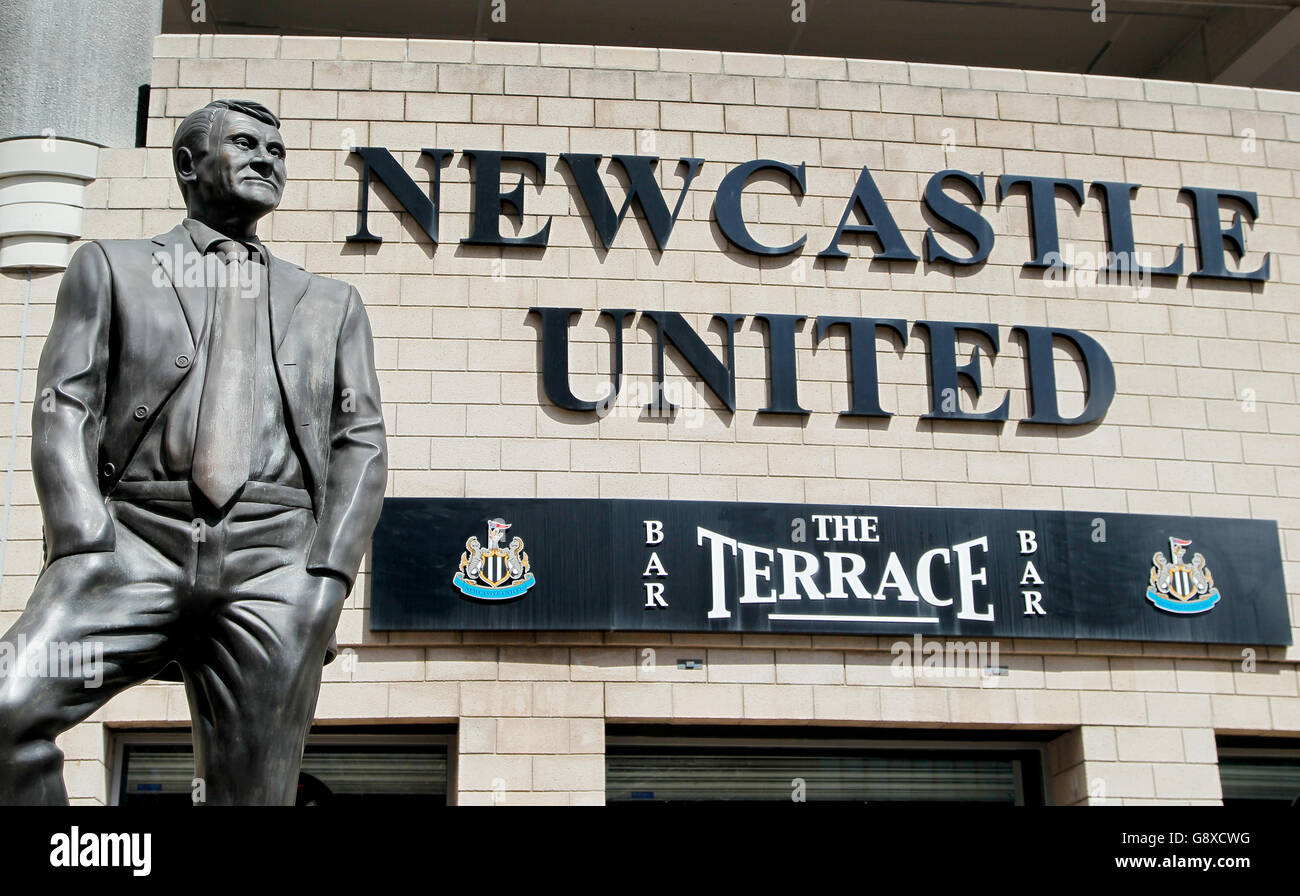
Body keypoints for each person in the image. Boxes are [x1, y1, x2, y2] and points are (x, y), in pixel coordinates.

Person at [0, 99, 387, 805]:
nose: (268, 158)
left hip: (274, 564)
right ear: (187, 164)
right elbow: (64, 406)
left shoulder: (331, 302)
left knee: (251, 796)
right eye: (246, 143)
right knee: (7, 711)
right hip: (133, 546)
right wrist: (83, 537)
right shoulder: (110, 268)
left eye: (278, 149)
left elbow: (360, 442)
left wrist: (326, 577)